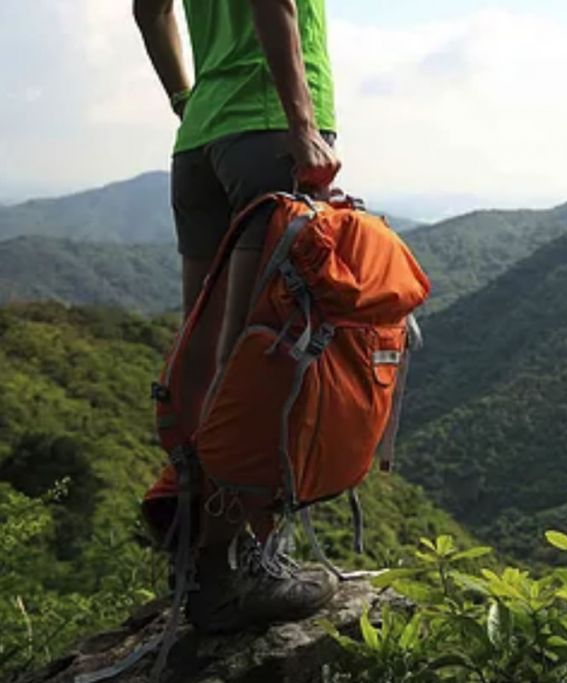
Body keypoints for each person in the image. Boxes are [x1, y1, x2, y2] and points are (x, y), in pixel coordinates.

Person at [133, 0, 341, 631]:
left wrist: (184, 99)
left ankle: (197, 543)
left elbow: (149, 10)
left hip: (199, 143)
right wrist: (300, 122)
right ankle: (230, 567)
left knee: (201, 355)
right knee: (256, 358)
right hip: (268, 137)